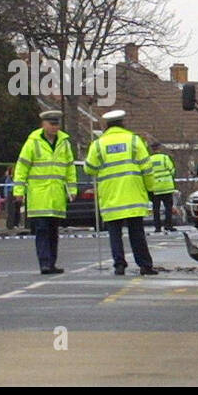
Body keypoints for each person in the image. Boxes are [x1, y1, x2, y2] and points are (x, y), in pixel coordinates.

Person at [85, 109, 158, 275]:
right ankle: (145, 265)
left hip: (111, 196)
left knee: (115, 232)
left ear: (106, 126)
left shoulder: (98, 144)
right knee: (137, 232)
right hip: (133, 195)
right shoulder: (134, 141)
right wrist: (150, 188)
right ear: (122, 123)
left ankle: (119, 264)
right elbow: (147, 168)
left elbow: (89, 169)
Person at [13, 110, 76, 274]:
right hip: (39, 196)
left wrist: (72, 189)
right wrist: (18, 191)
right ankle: (45, 263)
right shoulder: (33, 142)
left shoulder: (64, 143)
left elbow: (70, 168)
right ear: (43, 124)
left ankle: (52, 263)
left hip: (56, 197)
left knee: (53, 232)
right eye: (51, 124)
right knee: (41, 230)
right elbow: (22, 167)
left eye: (56, 124)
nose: (54, 127)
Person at [148, 140, 177, 233]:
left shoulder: (149, 160)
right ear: (159, 148)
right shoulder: (165, 158)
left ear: (152, 149)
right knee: (168, 208)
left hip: (155, 188)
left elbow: (147, 173)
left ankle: (157, 227)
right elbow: (172, 170)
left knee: (156, 209)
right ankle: (168, 225)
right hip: (166, 187)